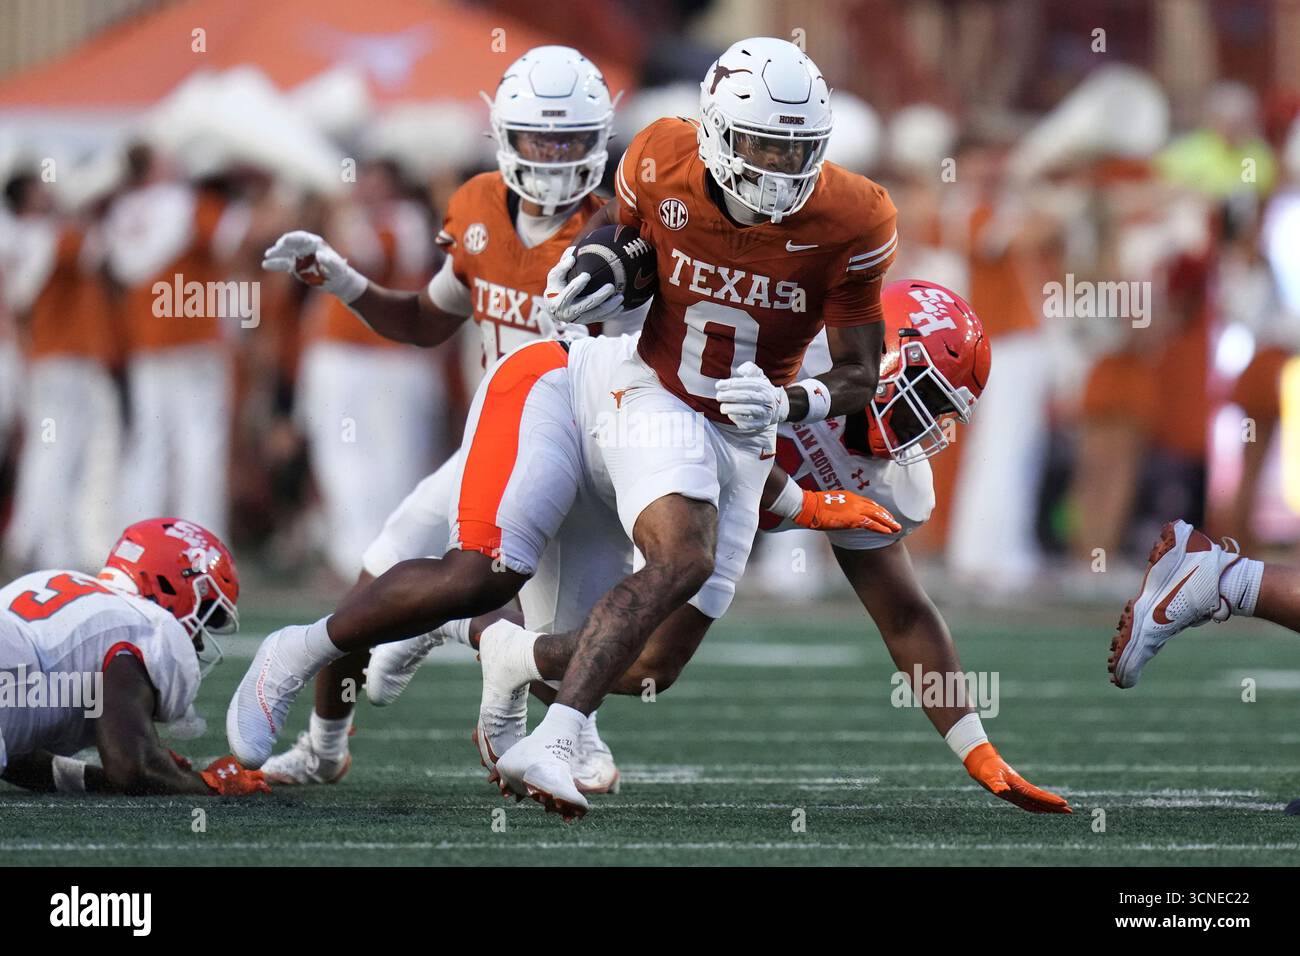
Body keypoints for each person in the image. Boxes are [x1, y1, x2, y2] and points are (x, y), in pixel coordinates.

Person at [225, 39, 901, 820]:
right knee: (481, 576)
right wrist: (600, 269)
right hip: (558, 396)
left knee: (633, 661)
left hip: (642, 434)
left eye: (796, 150)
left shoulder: (850, 215)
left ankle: (510, 681)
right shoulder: (600, 180)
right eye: (761, 144)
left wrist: (792, 443)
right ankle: (326, 706)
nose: (779, 166)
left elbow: (791, 374)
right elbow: (611, 255)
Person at [371, 280, 1073, 818]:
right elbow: (676, 415)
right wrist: (803, 501)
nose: (925, 430)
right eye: (923, 401)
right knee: (485, 572)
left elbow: (904, 615)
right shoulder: (785, 348)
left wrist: (975, 748)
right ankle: (412, 632)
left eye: (940, 415)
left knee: (650, 665)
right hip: (607, 437)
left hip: (681, 513)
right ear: (884, 356)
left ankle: (497, 648)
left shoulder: (886, 479)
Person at [255, 46, 631, 791]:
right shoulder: (478, 208)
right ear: (502, 135)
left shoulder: (620, 235)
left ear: (599, 140)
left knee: (575, 649)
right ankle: (325, 746)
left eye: (569, 140)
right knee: (366, 596)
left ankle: (560, 721)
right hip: (487, 451)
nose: (554, 157)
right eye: (539, 139)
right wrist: (345, 280)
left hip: (578, 461)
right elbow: (429, 320)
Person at [0, 518, 267, 796]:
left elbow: (18, 755)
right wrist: (210, 784)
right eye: (205, 613)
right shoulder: (144, 625)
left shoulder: (50, 581)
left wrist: (111, 777)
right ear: (170, 587)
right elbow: (131, 768)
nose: (199, 642)